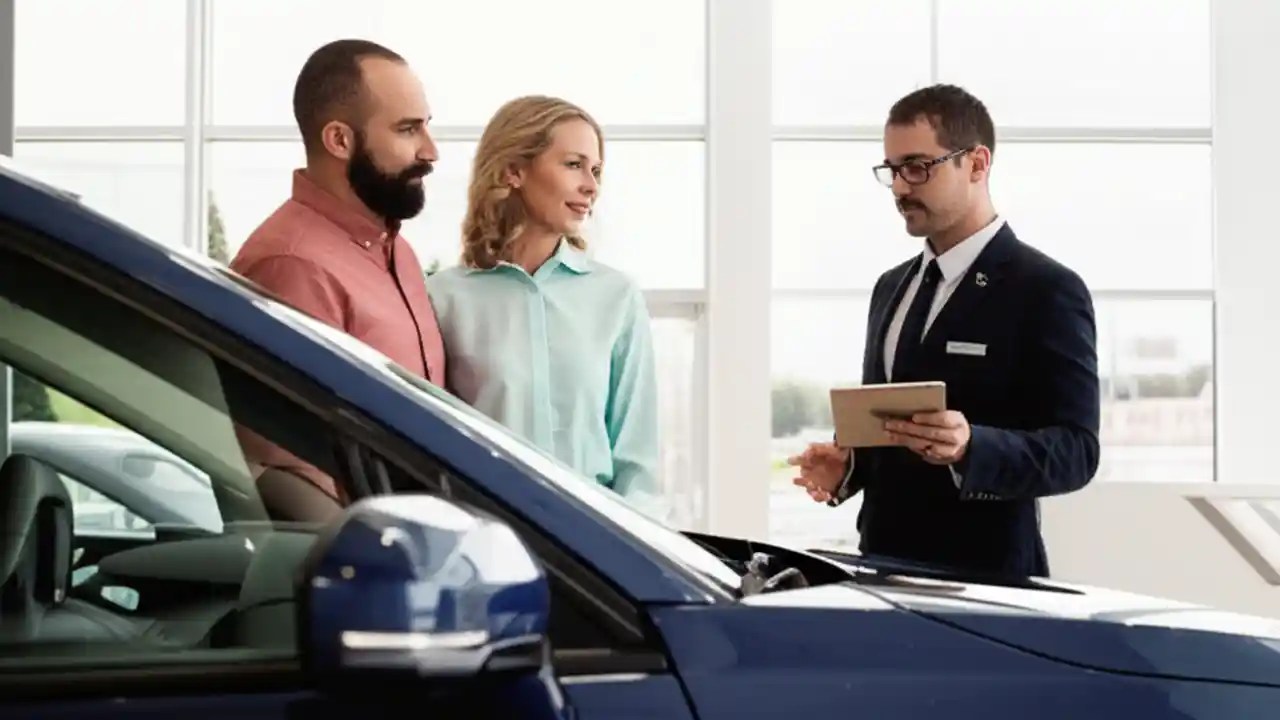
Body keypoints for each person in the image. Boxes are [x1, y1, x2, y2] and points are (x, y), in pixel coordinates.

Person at [789, 84, 1100, 578]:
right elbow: (891, 426)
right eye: (891, 170)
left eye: (917, 167)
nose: (899, 188)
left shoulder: (1045, 289)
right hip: (882, 572)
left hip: (990, 583)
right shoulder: (890, 288)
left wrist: (973, 445)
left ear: (977, 164)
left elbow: (1078, 452)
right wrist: (847, 469)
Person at [228, 39, 446, 508]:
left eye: (426, 126)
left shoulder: (397, 252)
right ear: (340, 140)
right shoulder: (292, 265)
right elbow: (290, 480)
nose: (431, 151)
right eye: (408, 130)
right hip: (370, 564)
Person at [425, 95, 665, 519]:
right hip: (487, 546)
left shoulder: (616, 297)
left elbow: (638, 465)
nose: (591, 185)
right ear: (512, 171)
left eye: (596, 170)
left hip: (597, 548)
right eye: (574, 164)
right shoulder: (442, 299)